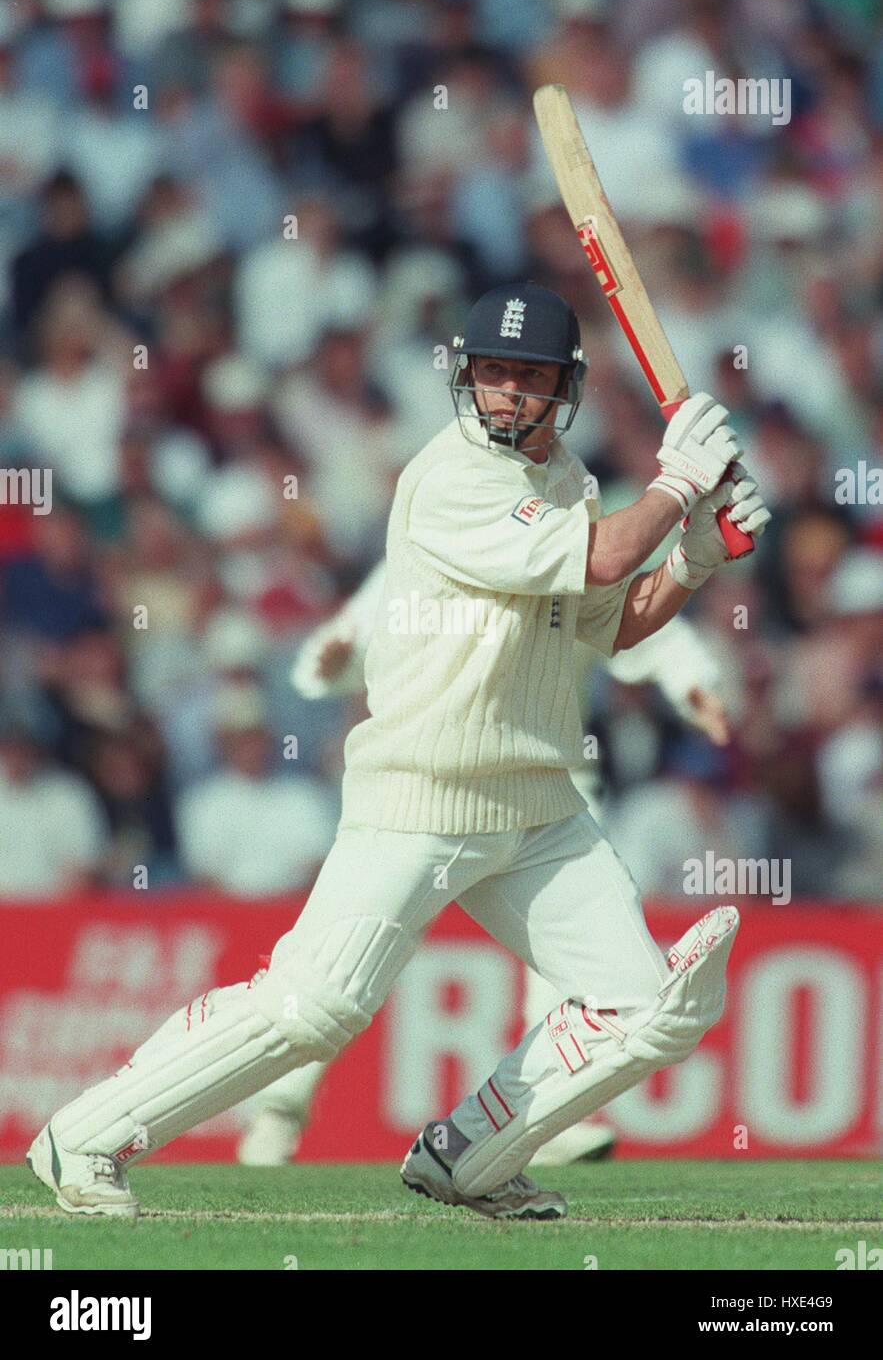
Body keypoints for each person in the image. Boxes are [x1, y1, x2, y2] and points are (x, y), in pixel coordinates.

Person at [28, 281, 770, 1220]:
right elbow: (605, 558)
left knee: (650, 1010)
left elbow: (614, 620)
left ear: (563, 389)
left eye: (527, 377)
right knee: (313, 1008)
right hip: (422, 790)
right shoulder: (452, 476)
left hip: (536, 801)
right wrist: (675, 483)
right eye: (490, 374)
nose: (504, 394)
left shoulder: (570, 483)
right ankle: (85, 1137)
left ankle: (468, 1160)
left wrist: (697, 551)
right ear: (465, 378)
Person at [237, 558, 731, 1167]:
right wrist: (338, 652)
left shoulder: (573, 545)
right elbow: (380, 610)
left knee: (570, 949)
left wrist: (691, 681)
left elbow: (641, 616)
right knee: (366, 944)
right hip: (441, 781)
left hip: (552, 788)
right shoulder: (449, 528)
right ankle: (281, 1107)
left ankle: (540, 1112)